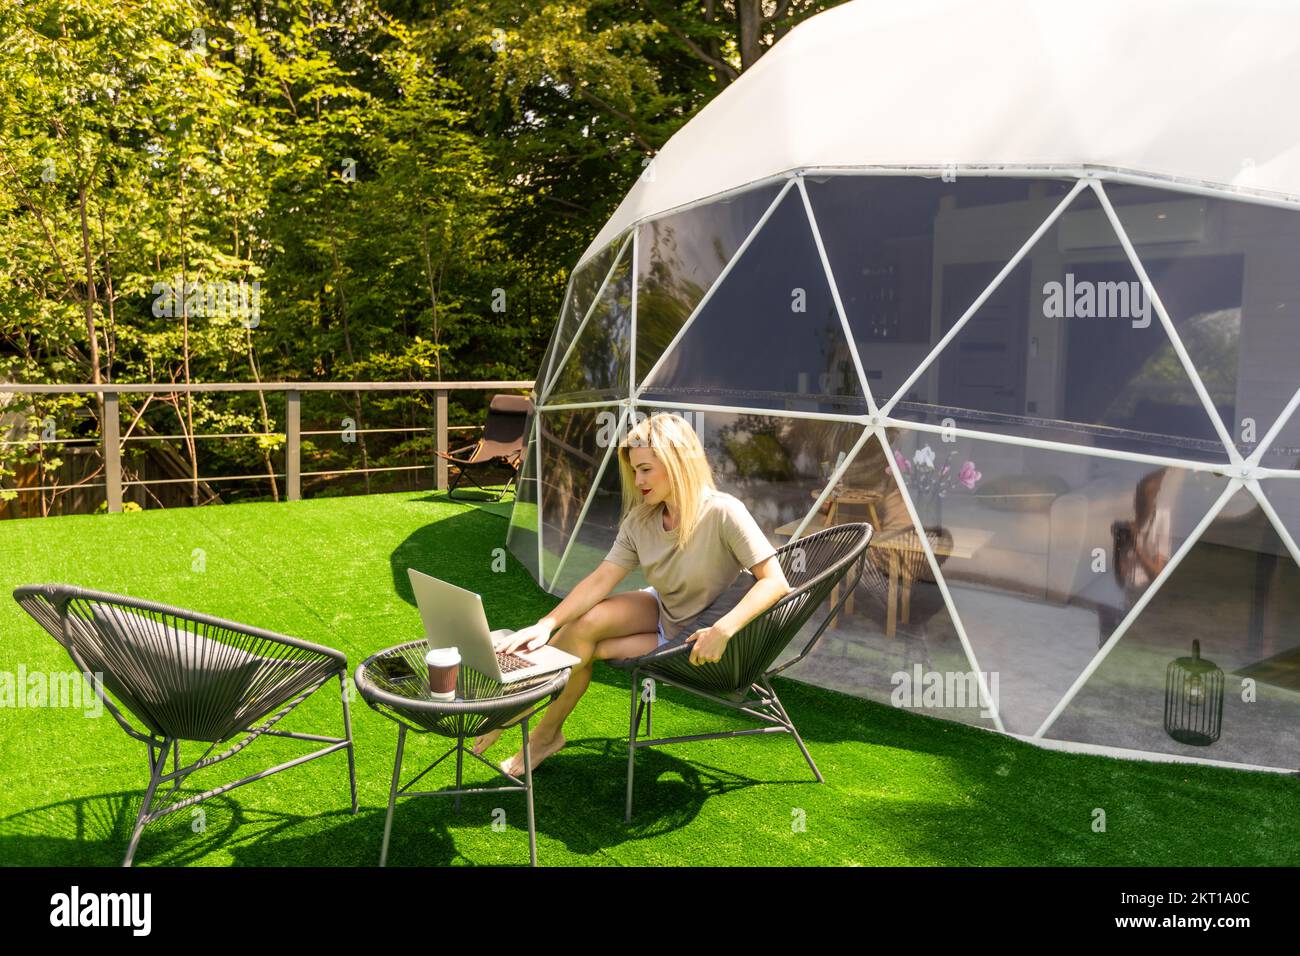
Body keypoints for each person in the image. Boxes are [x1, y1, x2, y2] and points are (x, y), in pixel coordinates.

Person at [472, 412, 792, 777]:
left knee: (577, 649)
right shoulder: (641, 521)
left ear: (677, 464)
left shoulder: (723, 512)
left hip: (695, 636)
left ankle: (527, 723)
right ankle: (526, 718)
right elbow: (602, 579)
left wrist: (723, 629)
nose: (637, 481)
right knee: (581, 628)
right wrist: (545, 624)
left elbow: (775, 581)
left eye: (645, 470)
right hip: (664, 608)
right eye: (634, 471)